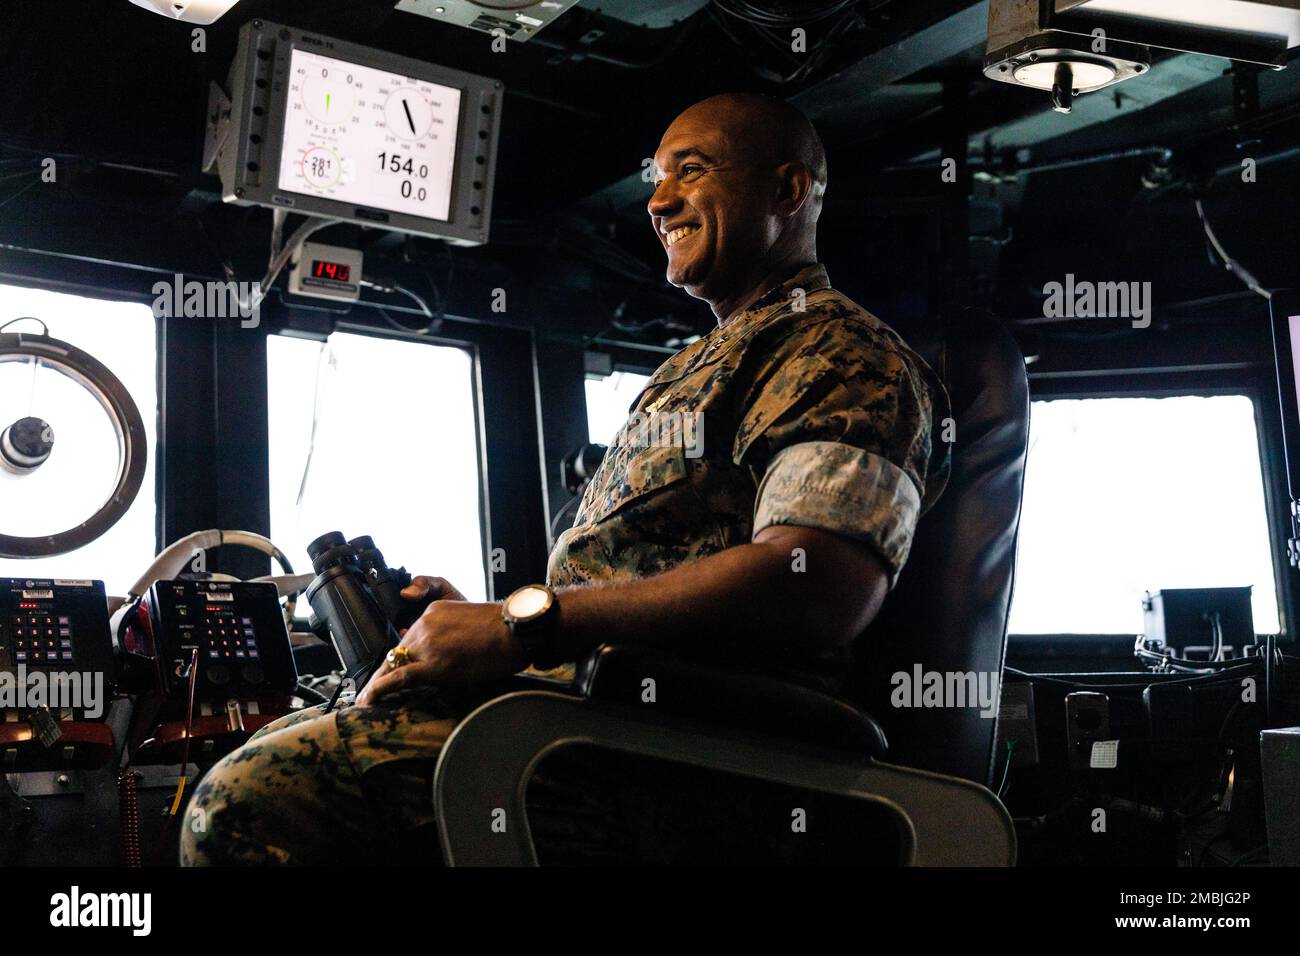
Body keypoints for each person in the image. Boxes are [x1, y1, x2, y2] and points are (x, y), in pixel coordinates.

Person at [181, 92, 949, 866]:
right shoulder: (695, 366)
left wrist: (526, 627)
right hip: (596, 718)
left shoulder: (842, 353)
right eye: (657, 176)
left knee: (245, 802)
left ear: (788, 191)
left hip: (696, 761)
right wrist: (486, 625)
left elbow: (819, 584)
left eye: (693, 170)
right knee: (276, 735)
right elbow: (631, 582)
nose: (659, 199)